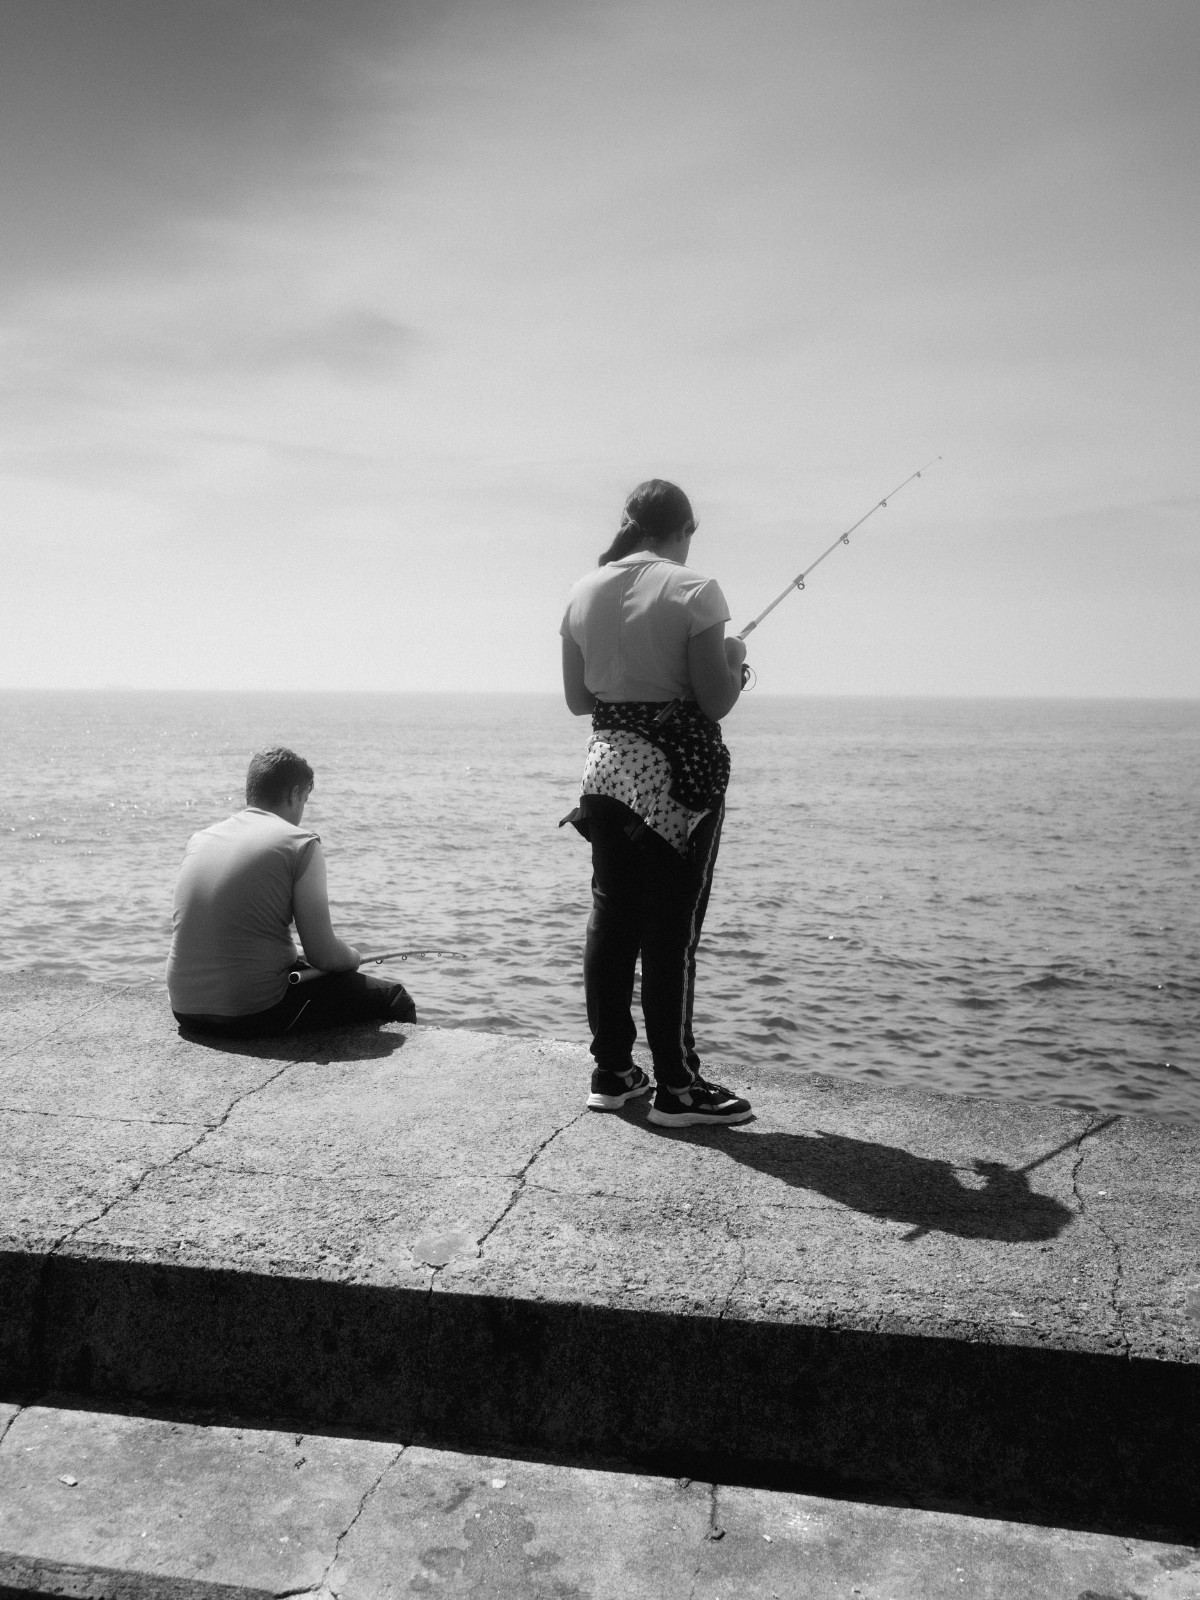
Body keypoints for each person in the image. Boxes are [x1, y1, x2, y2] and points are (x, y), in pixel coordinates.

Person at [560, 479, 753, 1128]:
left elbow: (580, 700)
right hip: (674, 781)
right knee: (671, 932)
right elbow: (717, 697)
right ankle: (678, 1087)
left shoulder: (583, 590)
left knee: (610, 921)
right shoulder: (696, 590)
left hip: (606, 772)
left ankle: (612, 1072)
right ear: (683, 529)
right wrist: (733, 658)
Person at [166, 747, 415, 1037]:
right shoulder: (301, 843)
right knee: (395, 998)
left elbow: (235, 934)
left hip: (184, 1009)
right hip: (254, 1012)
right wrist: (353, 957)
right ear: (294, 793)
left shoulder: (202, 838)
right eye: (305, 800)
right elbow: (324, 956)